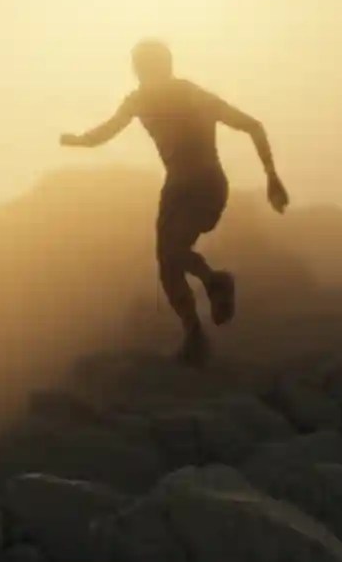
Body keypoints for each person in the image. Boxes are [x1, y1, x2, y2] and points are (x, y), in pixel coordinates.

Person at [60, 39, 289, 366]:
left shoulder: (190, 95)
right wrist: (76, 140)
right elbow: (104, 133)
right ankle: (194, 336)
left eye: (148, 69)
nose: (145, 77)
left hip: (206, 185)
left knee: (173, 253)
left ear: (163, 68)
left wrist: (272, 176)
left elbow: (251, 125)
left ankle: (214, 282)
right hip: (176, 190)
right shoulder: (139, 100)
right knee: (167, 267)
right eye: (141, 71)